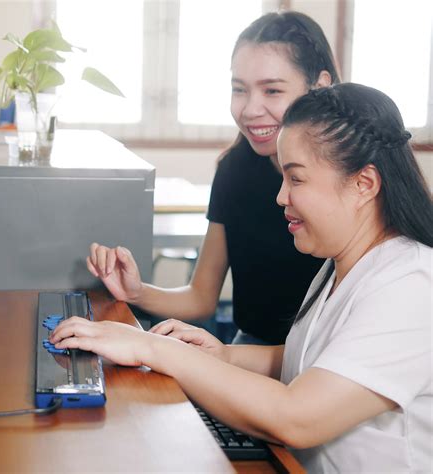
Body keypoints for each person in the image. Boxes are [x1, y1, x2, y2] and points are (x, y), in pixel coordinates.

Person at [50, 83, 432, 472]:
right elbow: (320, 359)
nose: (281, 196)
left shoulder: (411, 284)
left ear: (363, 184)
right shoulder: (342, 263)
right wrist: (225, 354)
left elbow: (297, 418)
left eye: (296, 179)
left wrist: (154, 349)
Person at [86, 11, 341, 345]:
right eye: (240, 89)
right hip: (253, 345)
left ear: (319, 87)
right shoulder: (235, 170)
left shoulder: (351, 176)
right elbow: (201, 297)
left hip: (330, 357)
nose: (250, 109)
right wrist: (135, 291)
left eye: (272, 91)